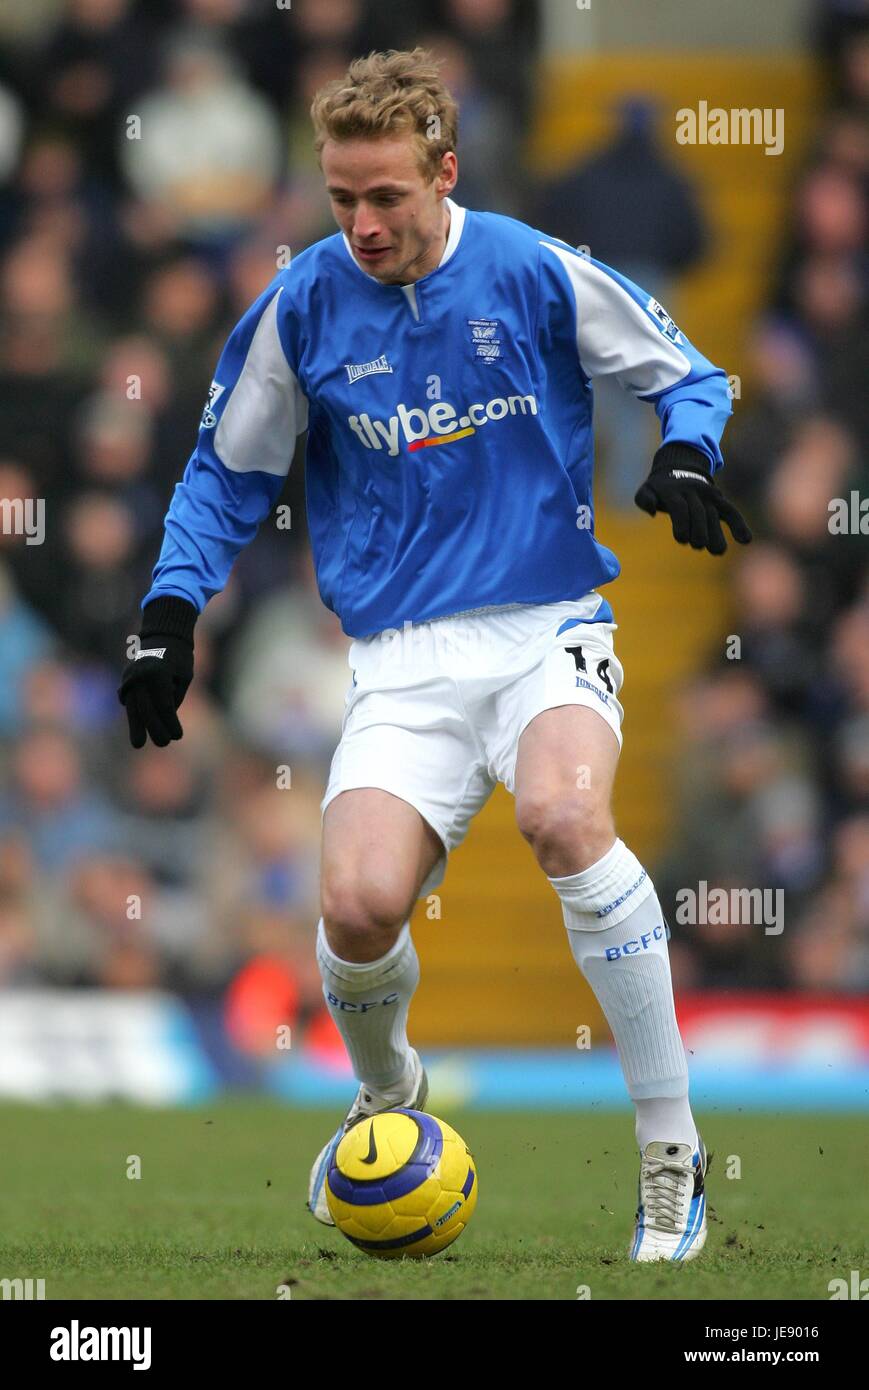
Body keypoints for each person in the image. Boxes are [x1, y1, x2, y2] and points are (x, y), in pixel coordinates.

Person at [118, 47, 751, 1263]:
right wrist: (169, 608)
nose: (360, 224)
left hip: (543, 625)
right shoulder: (301, 302)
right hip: (398, 659)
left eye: (385, 198)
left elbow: (689, 372)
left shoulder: (526, 267)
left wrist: (683, 448)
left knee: (566, 819)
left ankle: (670, 1156)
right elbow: (226, 470)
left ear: (443, 172)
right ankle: (388, 1095)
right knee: (355, 908)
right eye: (341, 198)